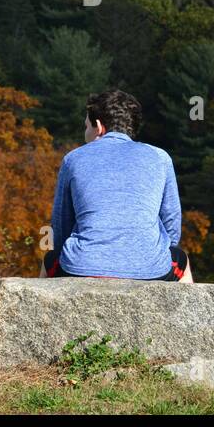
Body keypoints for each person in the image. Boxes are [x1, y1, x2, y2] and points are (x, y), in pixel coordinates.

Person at [40, 89, 192, 283]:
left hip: (80, 264)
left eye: (86, 126)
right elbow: (171, 224)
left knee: (49, 261)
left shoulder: (73, 159)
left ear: (98, 126)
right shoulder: (160, 158)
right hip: (151, 267)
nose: (85, 132)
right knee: (182, 260)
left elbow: (61, 225)